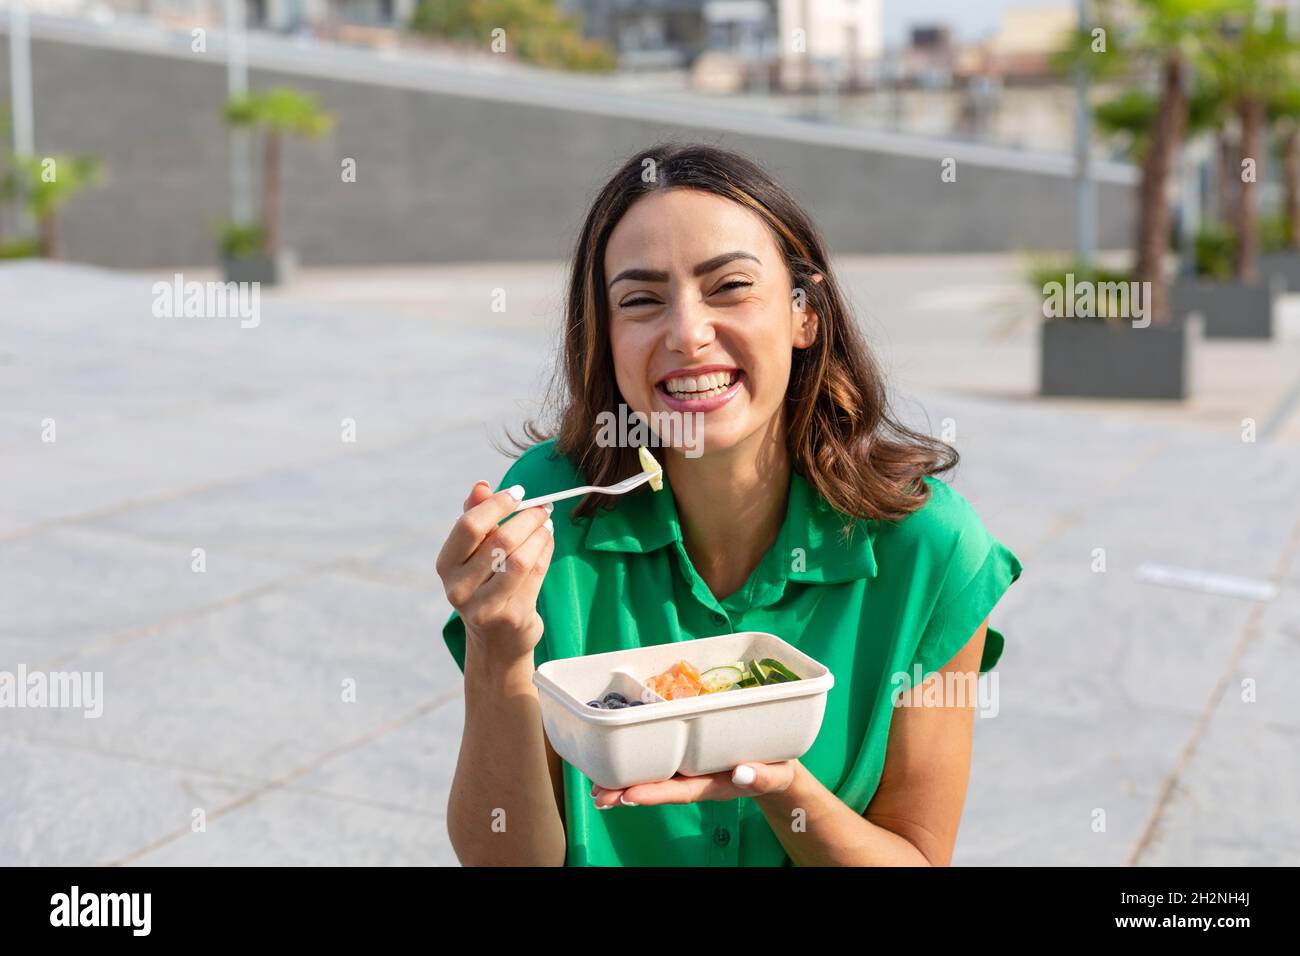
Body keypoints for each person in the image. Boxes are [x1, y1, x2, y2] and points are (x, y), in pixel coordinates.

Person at [436, 142, 1023, 866]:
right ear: (606, 339)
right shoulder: (551, 520)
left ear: (805, 314)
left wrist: (779, 784)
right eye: (642, 301)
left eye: (731, 286)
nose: (687, 334)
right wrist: (497, 650)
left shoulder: (930, 550)